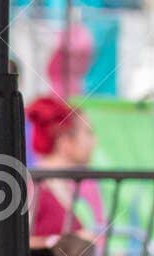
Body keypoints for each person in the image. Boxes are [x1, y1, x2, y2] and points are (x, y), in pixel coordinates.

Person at [26, 95, 103, 246]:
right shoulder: (33, 186)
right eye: (88, 133)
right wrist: (60, 243)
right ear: (65, 140)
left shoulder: (79, 185)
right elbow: (13, 245)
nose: (94, 142)